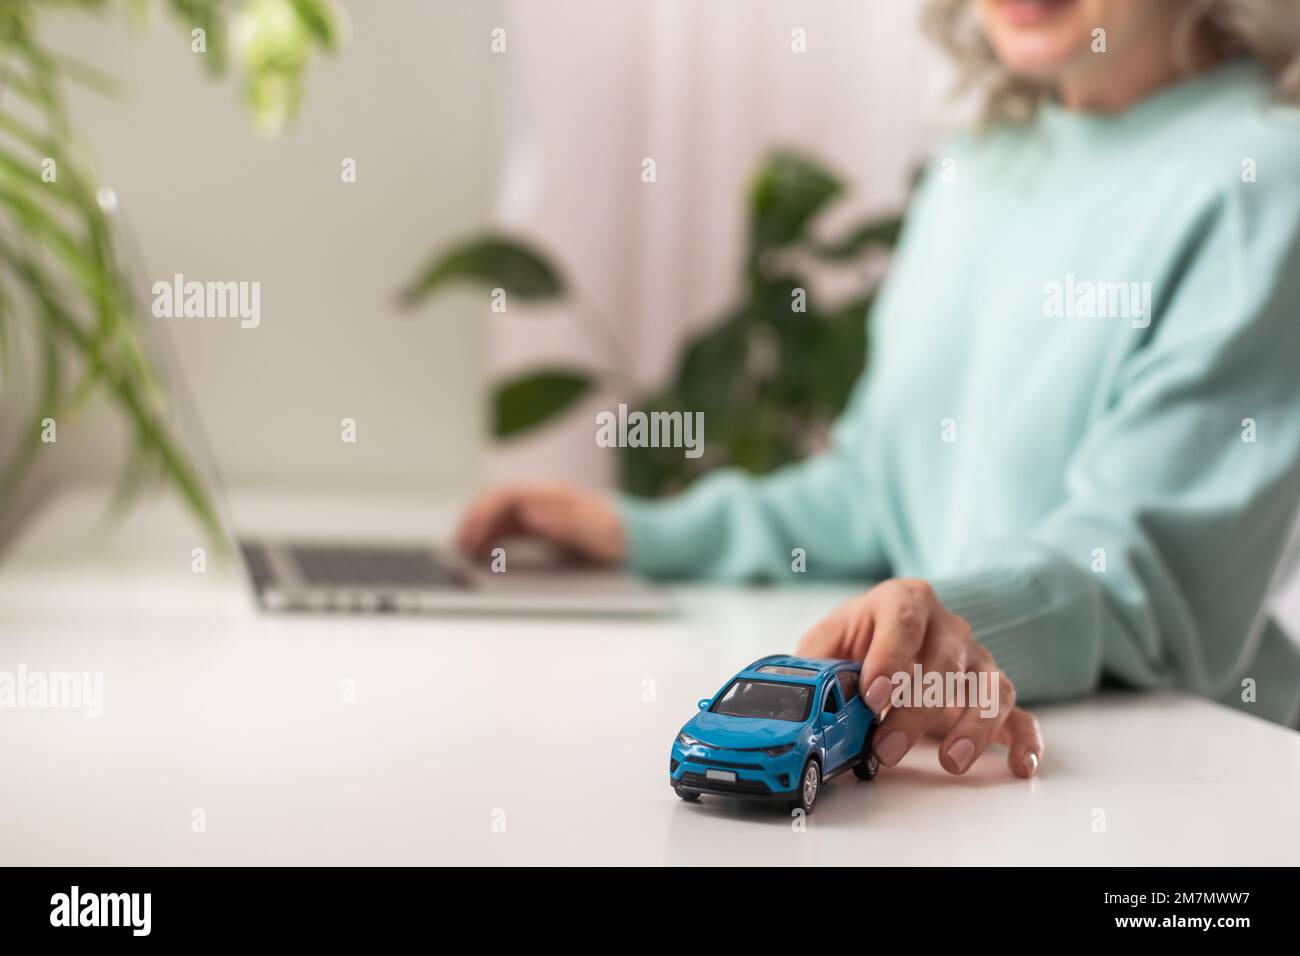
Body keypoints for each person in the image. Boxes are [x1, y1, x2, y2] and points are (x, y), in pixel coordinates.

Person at [456, 0, 1300, 779]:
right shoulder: (973, 170)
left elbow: (1146, 573)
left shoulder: (1266, 175)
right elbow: (873, 492)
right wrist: (643, 534)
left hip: (1184, 779)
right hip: (963, 766)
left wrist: (957, 633)